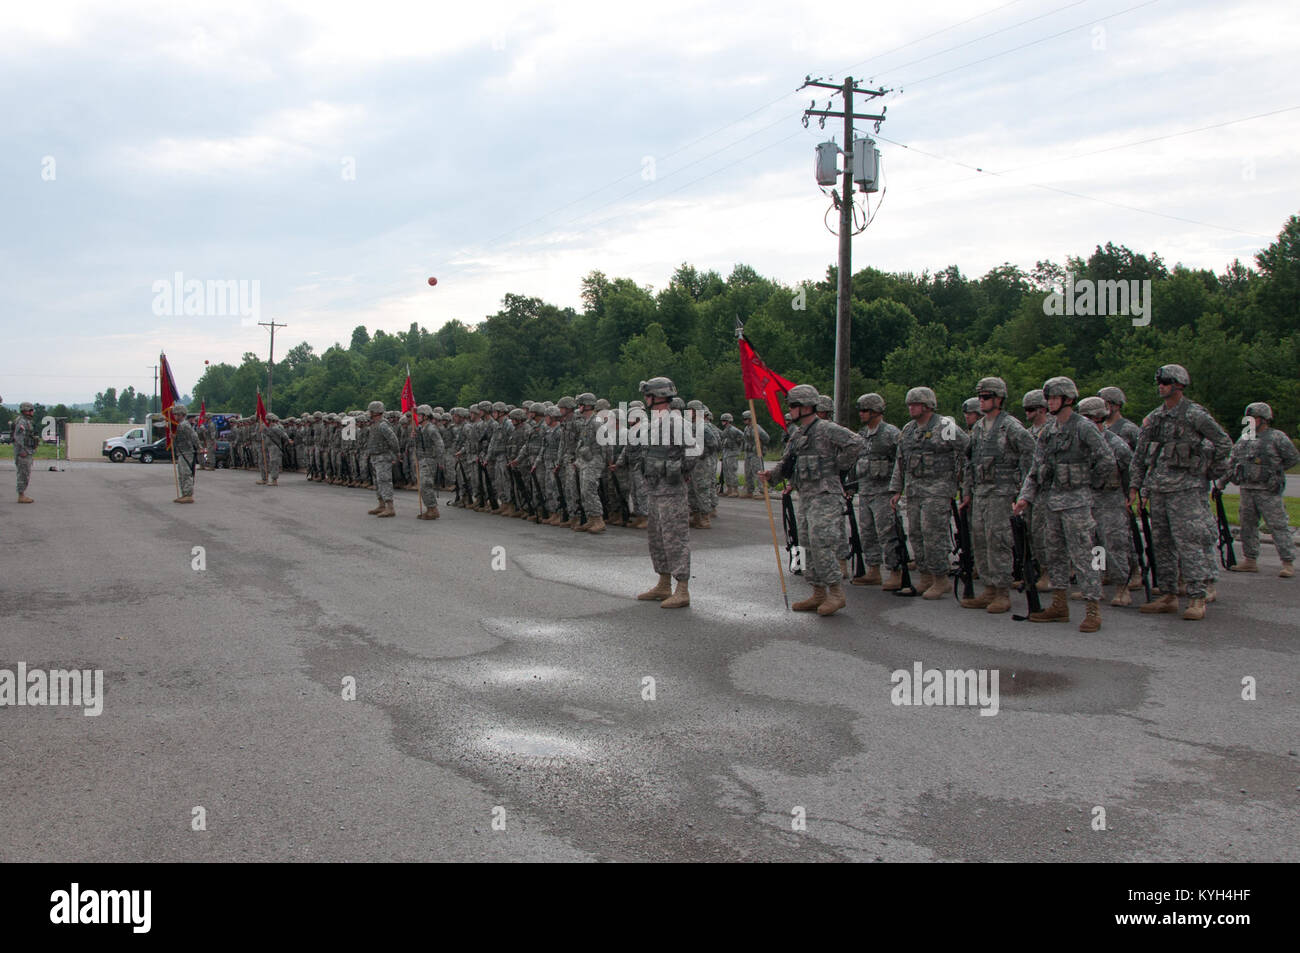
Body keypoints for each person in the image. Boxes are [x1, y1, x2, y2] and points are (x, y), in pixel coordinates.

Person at [1129, 364, 1232, 619]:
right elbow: (1140, 455)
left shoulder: (1194, 415)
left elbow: (1223, 442)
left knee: (1190, 543)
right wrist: (1136, 486)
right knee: (1162, 543)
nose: (1160, 385)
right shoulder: (1155, 418)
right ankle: (1168, 594)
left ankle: (1197, 596)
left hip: (1187, 491)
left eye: (1165, 381)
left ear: (1179, 384)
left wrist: (1208, 470)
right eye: (1159, 381)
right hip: (1160, 491)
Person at [1012, 377, 1116, 631]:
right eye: (1048, 399)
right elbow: (1036, 468)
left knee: (1083, 556)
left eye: (1054, 398)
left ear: (1068, 399)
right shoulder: (1048, 431)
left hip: (1077, 504)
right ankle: (1060, 604)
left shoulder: (1084, 427)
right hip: (1052, 503)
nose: (1050, 402)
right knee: (1055, 555)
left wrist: (1087, 482)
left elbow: (1106, 459)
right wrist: (1025, 496)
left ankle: (1093, 609)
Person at [763, 384, 865, 615]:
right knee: (806, 544)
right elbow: (786, 460)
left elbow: (856, 443)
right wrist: (771, 476)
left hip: (826, 495)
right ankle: (818, 592)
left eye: (793, 406)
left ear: (806, 406)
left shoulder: (827, 429)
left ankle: (836, 593)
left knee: (822, 542)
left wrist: (839, 466)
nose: (790, 410)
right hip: (807, 496)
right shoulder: (799, 434)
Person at [959, 378, 1036, 613]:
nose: (981, 401)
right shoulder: (979, 428)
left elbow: (1031, 454)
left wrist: (1022, 490)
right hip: (981, 493)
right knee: (980, 540)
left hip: (1002, 494)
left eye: (986, 397)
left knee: (998, 540)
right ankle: (989, 588)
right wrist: (967, 492)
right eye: (980, 397)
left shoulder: (1010, 426)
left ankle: (1002, 592)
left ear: (999, 399)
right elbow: (970, 461)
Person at [889, 386, 970, 599]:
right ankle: (925, 576)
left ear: (927, 405)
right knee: (915, 533)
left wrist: (961, 480)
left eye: (915, 404)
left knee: (934, 533)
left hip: (938, 490)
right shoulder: (908, 430)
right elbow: (901, 461)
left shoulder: (945, 426)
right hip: (915, 491)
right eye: (909, 404)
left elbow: (967, 449)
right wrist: (897, 489)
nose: (911, 408)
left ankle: (940, 578)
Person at [1219, 401, 1298, 577]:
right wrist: (1221, 483)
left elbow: (1292, 458)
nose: (1250, 421)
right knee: (1247, 526)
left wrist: (1275, 471)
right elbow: (1232, 463)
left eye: (1253, 417)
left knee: (1278, 525)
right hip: (1247, 489)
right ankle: (1250, 560)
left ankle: (1287, 563)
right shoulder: (1245, 438)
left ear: (1263, 419)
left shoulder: (1277, 437)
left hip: (1268, 491)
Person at [634, 377, 693, 608]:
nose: (645, 399)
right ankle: (663, 583)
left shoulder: (676, 422)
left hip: (671, 490)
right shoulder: (653, 423)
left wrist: (678, 470)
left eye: (647, 395)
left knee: (675, 538)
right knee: (657, 539)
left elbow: (694, 451)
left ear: (656, 396)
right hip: (655, 489)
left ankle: (683, 589)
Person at [1077, 396, 1135, 606]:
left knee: (1115, 544)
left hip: (1111, 499)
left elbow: (1131, 470)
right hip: (1088, 497)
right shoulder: (1082, 444)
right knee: (1094, 544)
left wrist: (1131, 496)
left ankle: (1122, 587)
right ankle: (1097, 583)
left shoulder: (1116, 444)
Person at [850, 393, 903, 590]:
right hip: (865, 490)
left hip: (884, 492)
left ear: (875, 412)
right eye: (861, 410)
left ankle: (895, 571)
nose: (861, 414)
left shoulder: (891, 433)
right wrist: (852, 486)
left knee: (887, 532)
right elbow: (856, 461)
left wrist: (897, 488)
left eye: (864, 410)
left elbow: (901, 460)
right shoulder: (862, 434)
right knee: (867, 532)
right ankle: (873, 570)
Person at [367, 401, 399, 517]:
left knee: (384, 481)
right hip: (375, 457)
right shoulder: (374, 424)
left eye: (370, 411)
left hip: (383, 456)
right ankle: (381, 505)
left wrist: (396, 453)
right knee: (378, 482)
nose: (369, 413)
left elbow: (393, 440)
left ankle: (390, 507)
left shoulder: (383, 425)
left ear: (375, 412)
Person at [414, 404, 443, 520]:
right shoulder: (420, 429)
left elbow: (440, 444)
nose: (417, 417)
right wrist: (414, 437)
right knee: (422, 485)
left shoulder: (431, 429)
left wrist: (439, 460)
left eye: (419, 415)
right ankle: (429, 509)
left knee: (426, 484)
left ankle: (433, 509)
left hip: (429, 459)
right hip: (422, 459)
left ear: (425, 416)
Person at [171, 405, 199, 503]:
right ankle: (184, 493)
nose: (175, 416)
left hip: (187, 452)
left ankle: (188, 494)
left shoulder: (185, 425)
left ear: (181, 414)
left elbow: (194, 436)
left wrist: (199, 447)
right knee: (182, 474)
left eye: (176, 414)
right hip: (181, 452)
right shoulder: (180, 425)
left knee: (186, 473)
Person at [741, 410, 770, 498]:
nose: (744, 421)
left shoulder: (757, 428)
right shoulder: (746, 429)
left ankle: (762, 491)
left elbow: (766, 438)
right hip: (748, 453)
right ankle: (750, 490)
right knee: (748, 472)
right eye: (744, 419)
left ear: (750, 419)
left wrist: (760, 445)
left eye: (746, 419)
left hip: (756, 453)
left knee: (758, 471)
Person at [13, 401, 38, 503]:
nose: (33, 412)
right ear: (26, 411)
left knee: (25, 473)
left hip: (27, 450)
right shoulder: (22, 422)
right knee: (23, 473)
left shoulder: (26, 421)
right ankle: (21, 495)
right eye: (31, 410)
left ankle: (22, 494)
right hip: (23, 452)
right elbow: (18, 438)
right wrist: (22, 450)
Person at [719, 413, 744, 496]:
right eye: (722, 420)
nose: (723, 422)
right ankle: (729, 489)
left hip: (732, 453)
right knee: (726, 472)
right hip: (726, 453)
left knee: (732, 471)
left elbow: (742, 437)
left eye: (724, 420)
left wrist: (736, 444)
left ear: (729, 421)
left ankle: (735, 490)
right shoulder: (726, 430)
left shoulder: (733, 430)